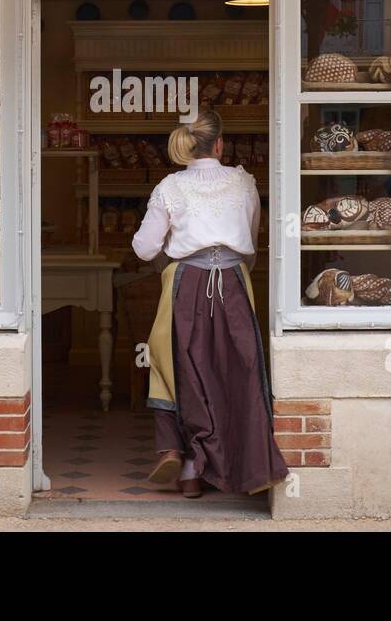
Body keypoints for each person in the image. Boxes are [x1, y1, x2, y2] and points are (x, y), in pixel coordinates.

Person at [130, 108, 289, 498]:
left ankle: (184, 462)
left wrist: (169, 260)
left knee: (174, 365)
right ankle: (237, 467)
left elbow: (143, 247)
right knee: (237, 371)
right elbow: (252, 238)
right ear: (220, 144)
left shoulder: (170, 186)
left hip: (185, 282)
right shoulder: (243, 181)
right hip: (234, 281)